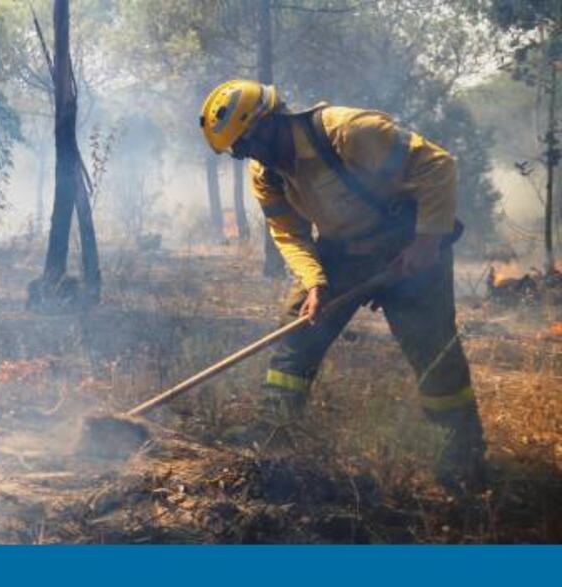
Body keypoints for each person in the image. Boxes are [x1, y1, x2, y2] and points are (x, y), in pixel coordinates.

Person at [198, 79, 486, 493]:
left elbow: (437, 164)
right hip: (341, 254)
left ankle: (463, 461)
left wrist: (428, 241)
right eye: (239, 152)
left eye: (249, 144)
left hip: (408, 246)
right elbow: (288, 234)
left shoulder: (348, 131)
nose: (250, 157)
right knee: (297, 338)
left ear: (271, 122)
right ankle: (273, 441)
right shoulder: (267, 176)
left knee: (434, 354)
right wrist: (315, 284)